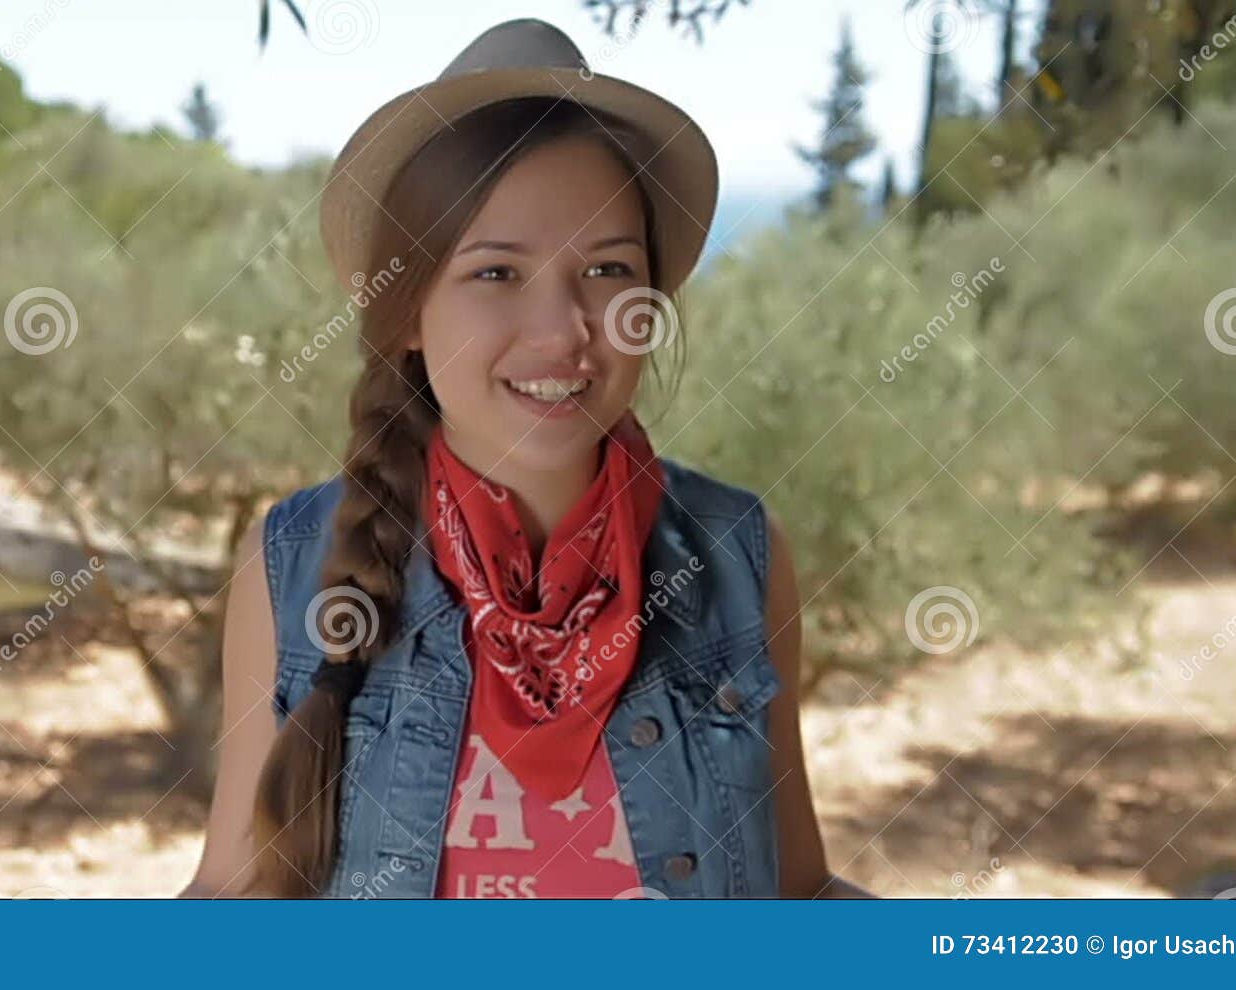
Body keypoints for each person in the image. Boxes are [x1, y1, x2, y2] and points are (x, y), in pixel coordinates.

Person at [181, 17, 872, 899]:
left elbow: (797, 895)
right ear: (409, 316)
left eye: (609, 270)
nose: (563, 333)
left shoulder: (740, 553)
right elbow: (229, 900)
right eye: (497, 274)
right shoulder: (292, 565)